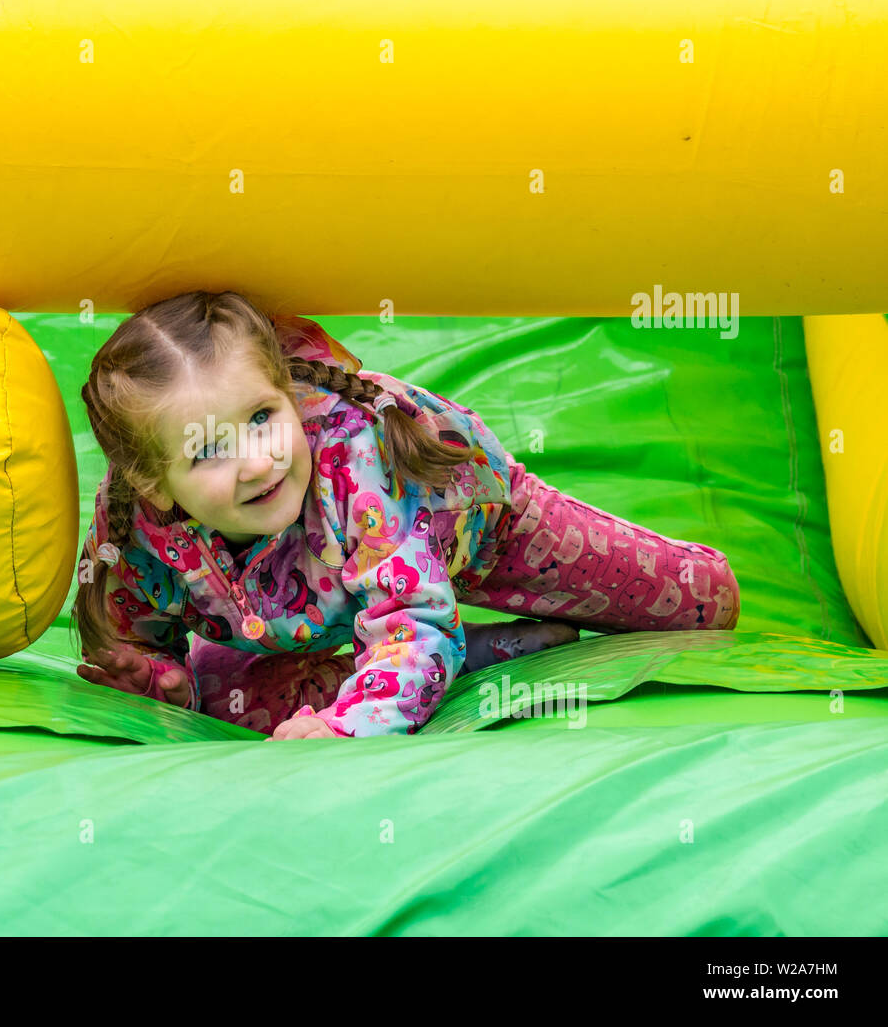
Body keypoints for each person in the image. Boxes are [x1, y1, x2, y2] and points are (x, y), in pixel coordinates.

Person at [71, 291, 740, 739]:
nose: (257, 461)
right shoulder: (137, 534)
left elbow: (411, 618)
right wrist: (158, 682)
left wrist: (348, 728)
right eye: (210, 450)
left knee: (703, 603)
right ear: (151, 483)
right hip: (320, 610)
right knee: (224, 703)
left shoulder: (349, 464)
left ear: (290, 398)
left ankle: (437, 650)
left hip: (474, 527)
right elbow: (136, 641)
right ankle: (480, 652)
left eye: (262, 419)